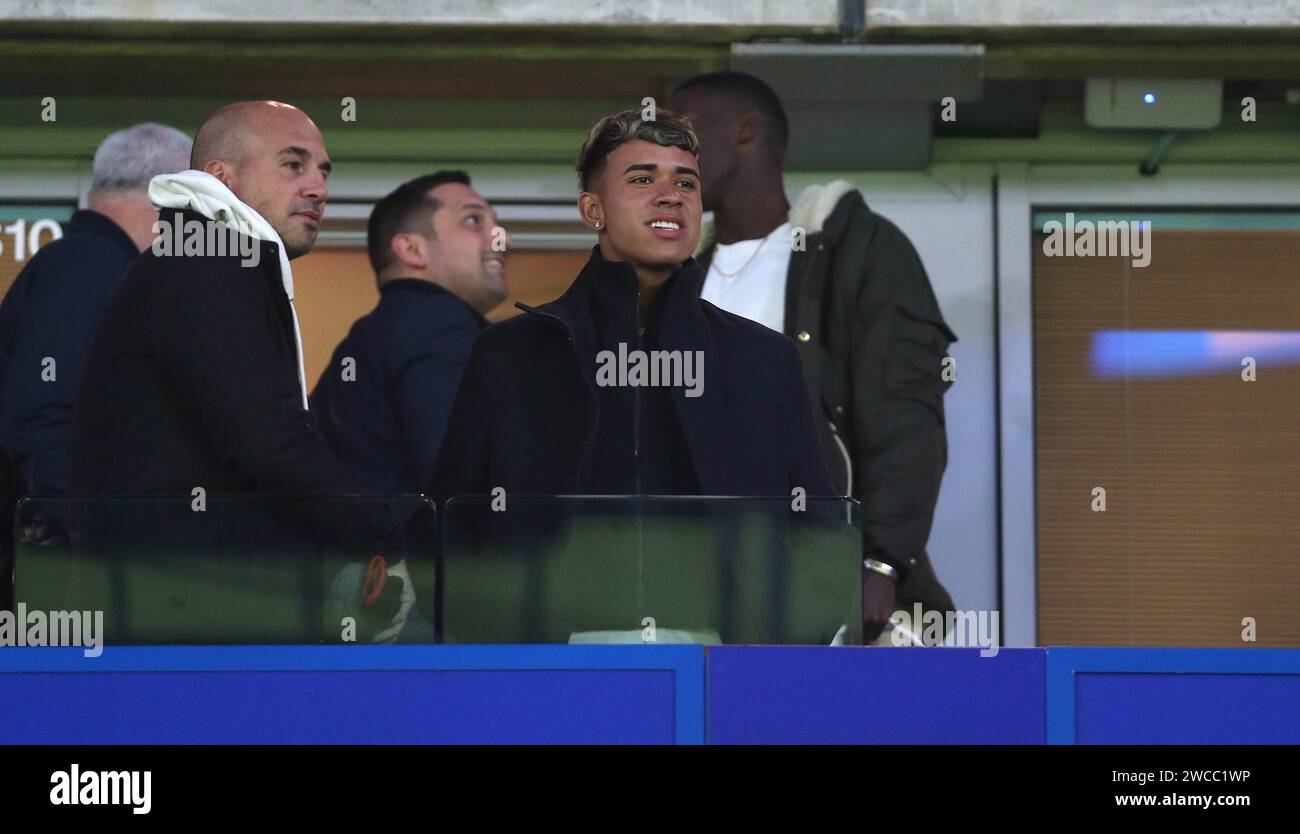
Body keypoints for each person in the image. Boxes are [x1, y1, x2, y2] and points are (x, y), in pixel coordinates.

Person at [70, 101, 411, 641]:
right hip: (185, 628)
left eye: (323, 170)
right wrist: (381, 536)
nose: (319, 187)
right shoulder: (210, 265)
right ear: (219, 177)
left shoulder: (206, 261)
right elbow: (267, 442)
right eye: (292, 165)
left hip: (178, 612)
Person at [670, 72, 959, 641]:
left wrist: (881, 563)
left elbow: (903, 417)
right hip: (697, 586)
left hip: (822, 575)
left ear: (747, 131)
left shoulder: (855, 250)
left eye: (683, 133)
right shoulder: (678, 282)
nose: (668, 154)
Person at [429, 108, 833, 501]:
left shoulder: (765, 358)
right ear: (593, 210)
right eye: (643, 179)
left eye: (686, 183)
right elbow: (450, 527)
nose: (671, 197)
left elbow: (817, 532)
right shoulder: (507, 354)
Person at [0, 123, 191, 500]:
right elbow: (43, 417)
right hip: (57, 553)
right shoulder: (90, 265)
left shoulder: (91, 264)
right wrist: (96, 541)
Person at [311, 171, 507, 495]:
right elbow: (460, 476)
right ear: (412, 249)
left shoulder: (361, 342)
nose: (501, 238)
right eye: (474, 221)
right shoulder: (438, 320)